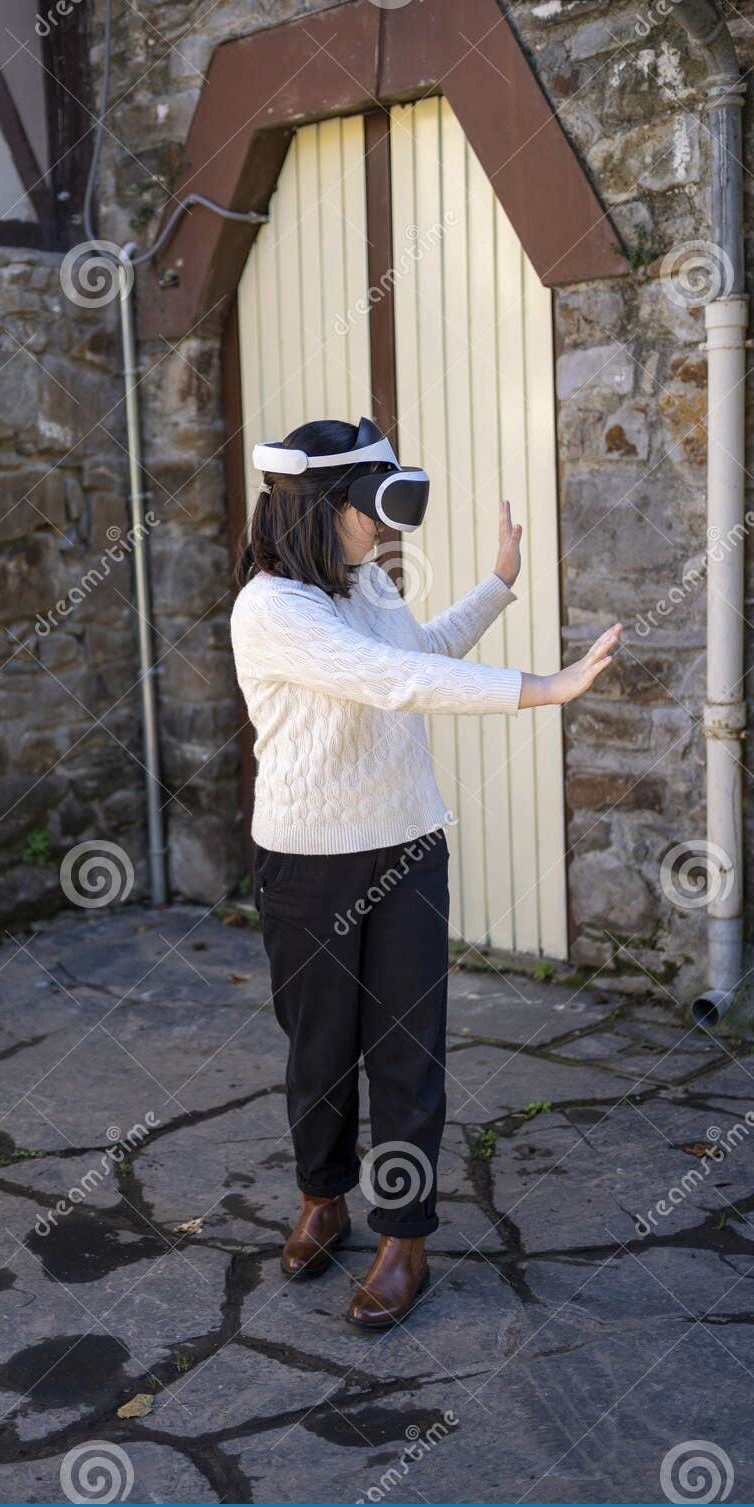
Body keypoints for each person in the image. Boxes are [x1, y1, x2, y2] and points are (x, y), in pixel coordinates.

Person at [230, 417, 620, 1330]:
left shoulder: (363, 581)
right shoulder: (273, 608)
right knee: (320, 1050)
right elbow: (388, 681)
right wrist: (543, 689)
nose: (384, 526)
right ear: (322, 508)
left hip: (406, 843)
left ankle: (404, 1237)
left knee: (409, 1048)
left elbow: (415, 660)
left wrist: (498, 587)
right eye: (369, 508)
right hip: (309, 862)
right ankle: (323, 1198)